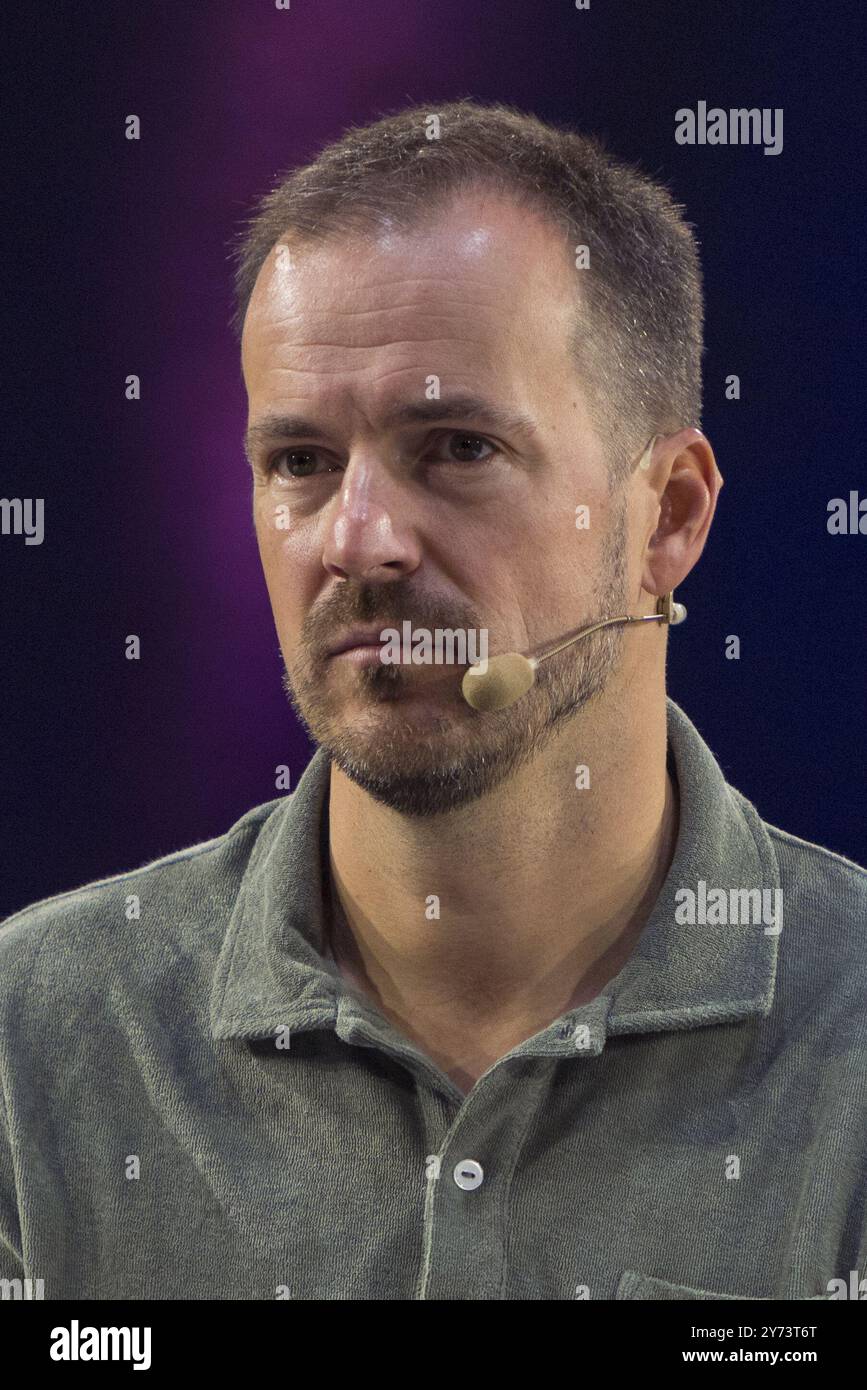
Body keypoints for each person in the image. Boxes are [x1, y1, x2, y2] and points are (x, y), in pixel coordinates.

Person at [1, 101, 864, 1302]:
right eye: (300, 461)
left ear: (667, 516)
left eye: (457, 446)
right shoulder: (34, 1042)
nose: (358, 541)